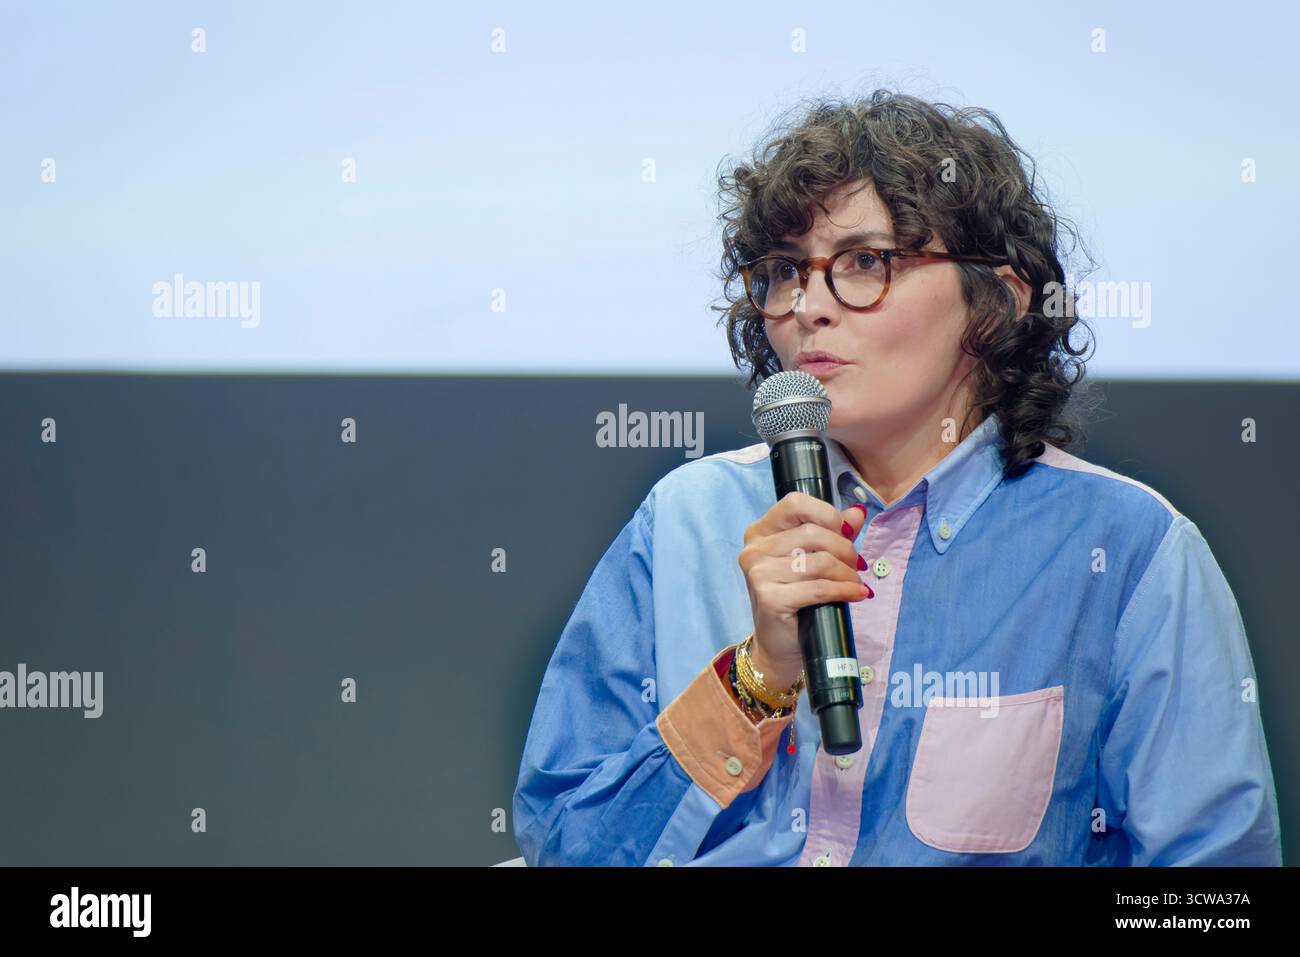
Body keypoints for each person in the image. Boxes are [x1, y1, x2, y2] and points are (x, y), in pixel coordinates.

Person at [511, 90, 1283, 866]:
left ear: (997, 303)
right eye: (784, 272)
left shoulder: (1130, 552)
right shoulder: (685, 519)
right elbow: (563, 846)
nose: (809, 305)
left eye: (863, 262)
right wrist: (757, 678)